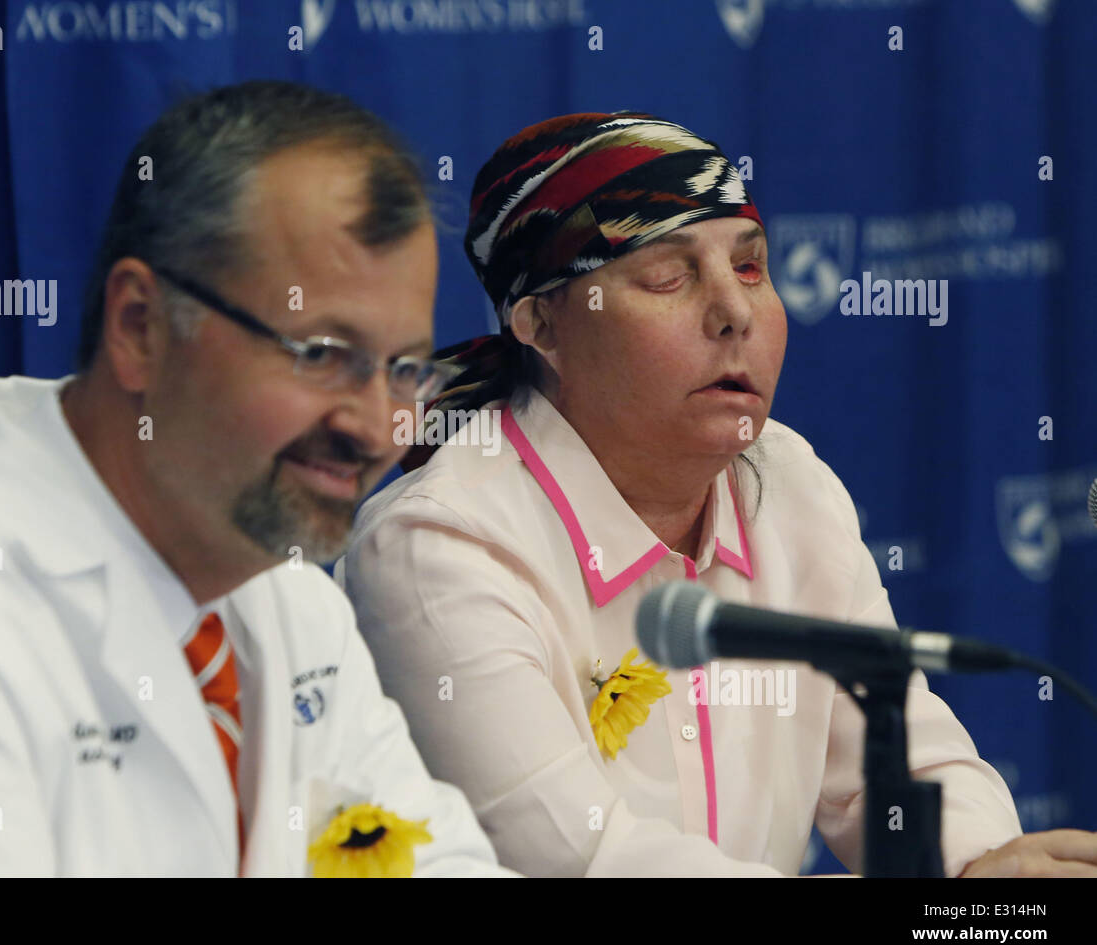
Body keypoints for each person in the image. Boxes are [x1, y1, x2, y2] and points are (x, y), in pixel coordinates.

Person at [339, 111, 1097, 877]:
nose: (734, 312)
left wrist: (980, 868)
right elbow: (588, 859)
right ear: (541, 324)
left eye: (750, 268)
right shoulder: (439, 543)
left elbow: (898, 768)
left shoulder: (788, 482)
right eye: (669, 276)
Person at [0, 81, 514, 877]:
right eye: (319, 353)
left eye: (404, 369)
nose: (379, 428)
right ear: (140, 326)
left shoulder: (286, 586)